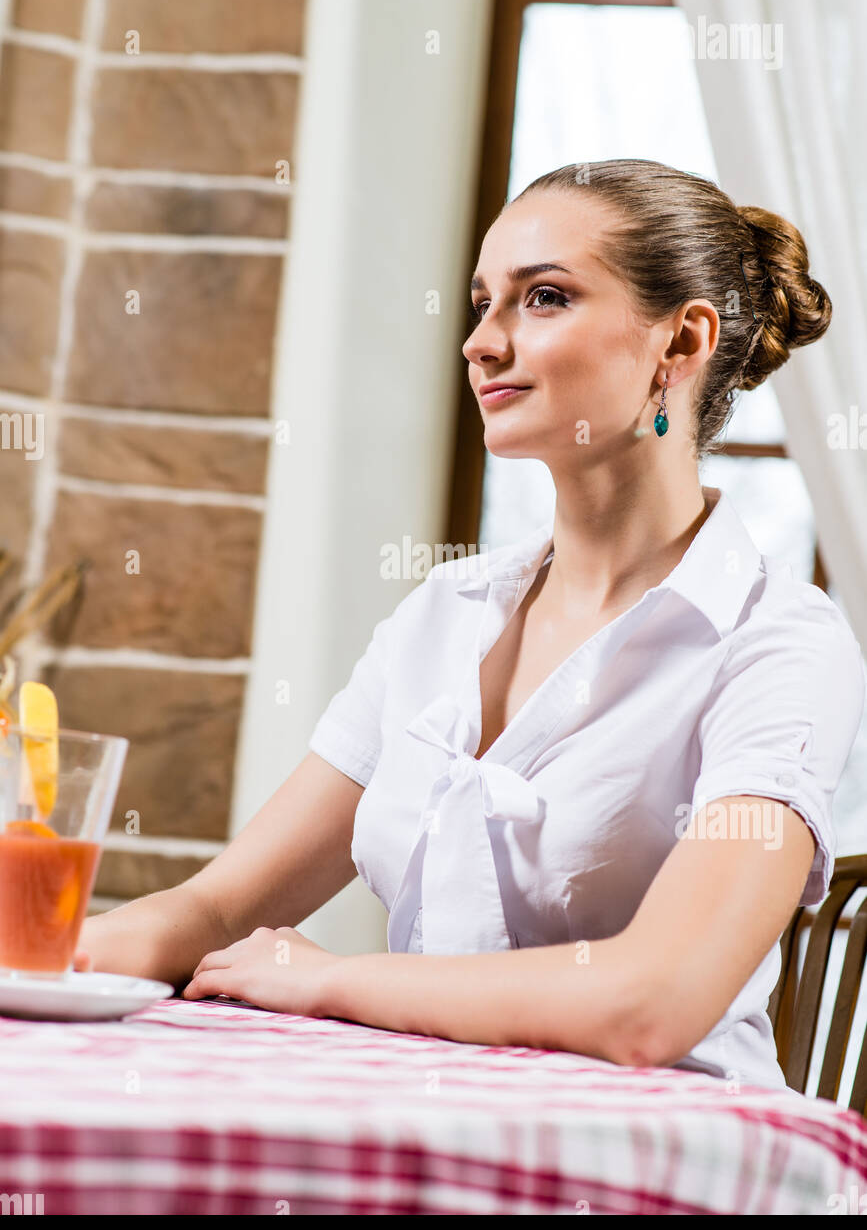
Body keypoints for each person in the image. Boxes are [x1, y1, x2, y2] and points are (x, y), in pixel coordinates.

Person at [76, 159, 865, 1090]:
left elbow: (656, 999)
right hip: (422, 1122)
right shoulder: (440, 617)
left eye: (543, 298)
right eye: (483, 301)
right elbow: (213, 911)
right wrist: (46, 959)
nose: (481, 343)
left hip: (667, 1168)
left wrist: (336, 980)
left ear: (680, 340)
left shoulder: (776, 641)